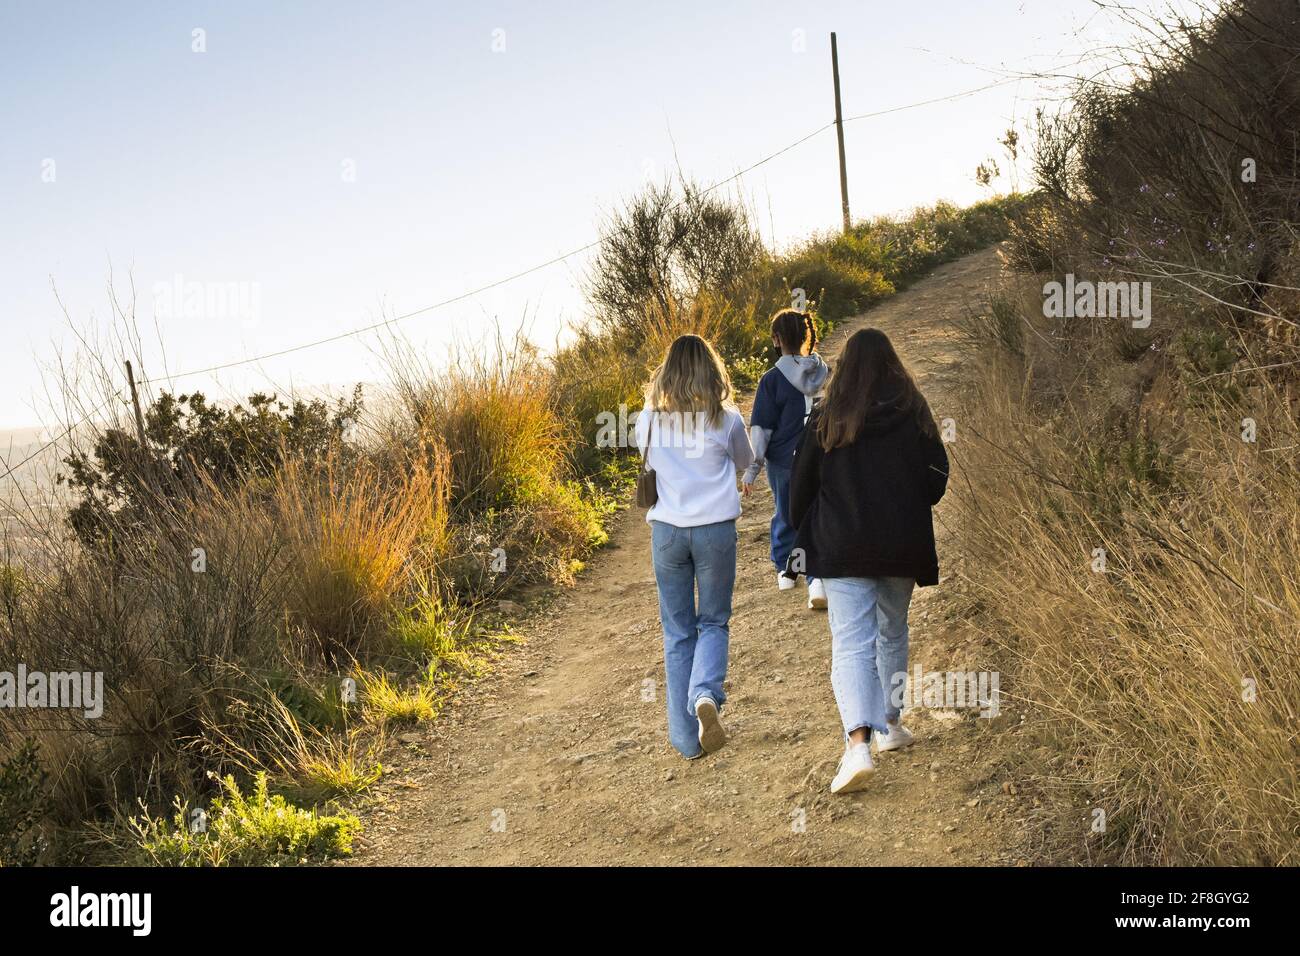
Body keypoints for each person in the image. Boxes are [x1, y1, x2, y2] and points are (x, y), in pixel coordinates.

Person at [788, 328, 949, 794]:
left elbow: (799, 492)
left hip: (843, 548)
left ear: (846, 368)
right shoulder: (914, 412)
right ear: (892, 364)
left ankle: (858, 745)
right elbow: (937, 480)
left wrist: (812, 534)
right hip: (901, 545)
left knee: (852, 643)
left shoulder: (826, 417)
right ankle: (891, 726)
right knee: (893, 630)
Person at [636, 334, 754, 759]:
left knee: (677, 631)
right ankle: (705, 693)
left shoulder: (647, 420)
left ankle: (687, 741)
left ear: (666, 373)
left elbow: (648, 465)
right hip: (715, 532)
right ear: (712, 371)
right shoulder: (727, 420)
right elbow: (746, 462)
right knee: (714, 621)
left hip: (667, 532)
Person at [741, 309, 830, 609]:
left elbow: (762, 430)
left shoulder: (772, 380)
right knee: (816, 513)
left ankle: (789, 569)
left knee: (786, 511)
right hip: (822, 456)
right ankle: (815, 575)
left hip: (783, 460)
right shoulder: (825, 372)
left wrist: (753, 469)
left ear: (777, 340)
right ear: (808, 335)